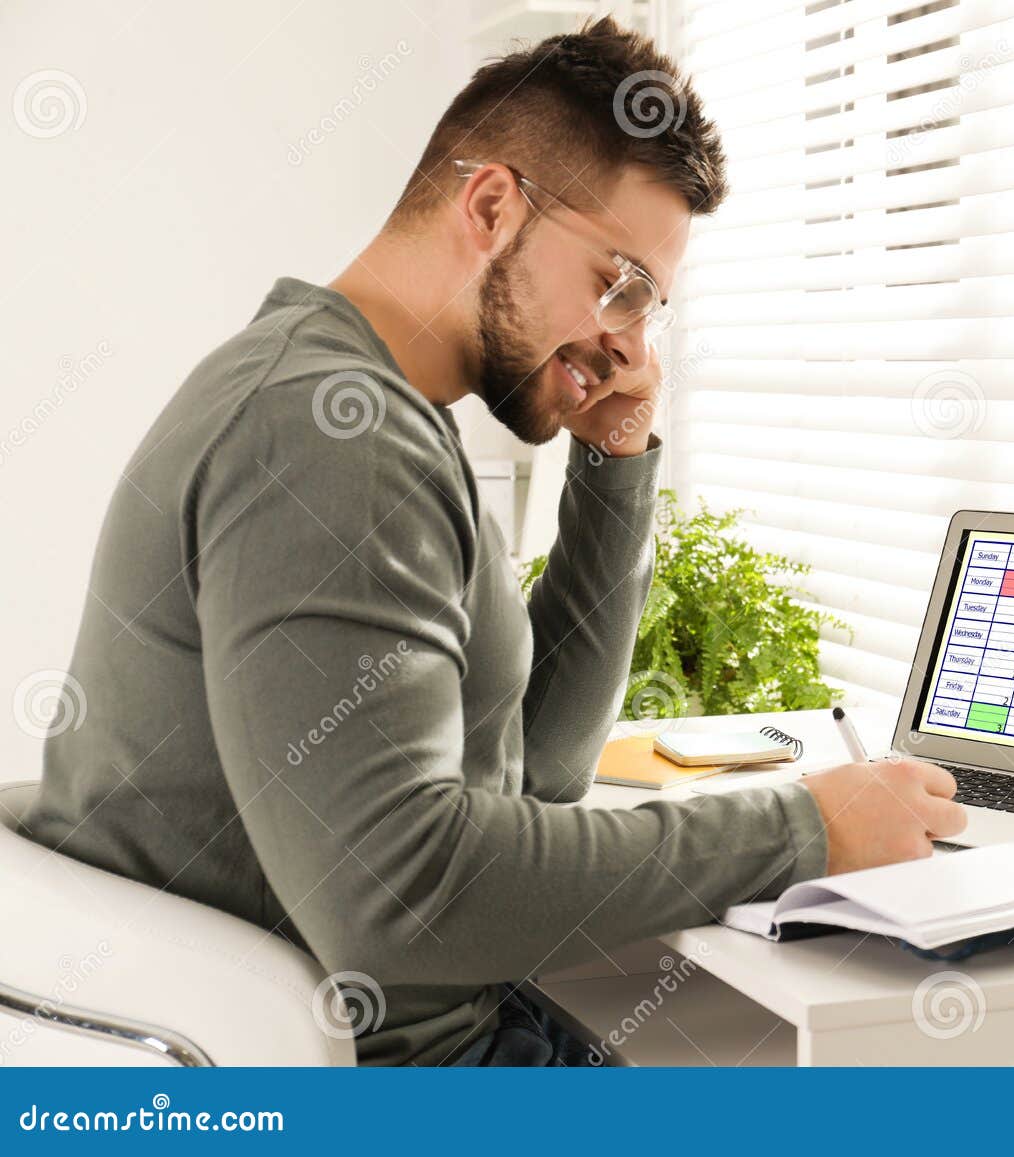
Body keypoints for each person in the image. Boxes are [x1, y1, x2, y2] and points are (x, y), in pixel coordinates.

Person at [21, 15, 964, 1066]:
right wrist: (805, 829)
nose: (631, 345)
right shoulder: (331, 435)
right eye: (620, 286)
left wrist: (615, 457)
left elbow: (539, 767)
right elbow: (403, 888)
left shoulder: (367, 408)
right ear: (490, 205)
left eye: (652, 309)